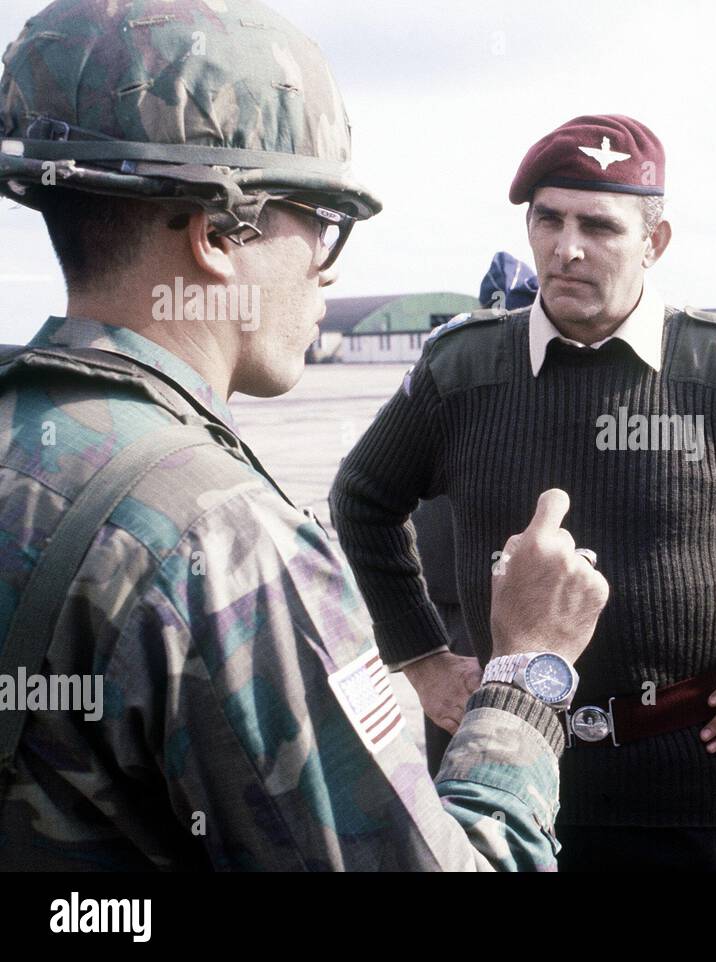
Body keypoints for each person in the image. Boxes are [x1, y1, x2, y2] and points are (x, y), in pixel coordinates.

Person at [0, 0, 606, 872]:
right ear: (218, 234)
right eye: (321, 223)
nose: (327, 270)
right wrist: (530, 669)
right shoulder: (218, 541)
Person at [330, 114, 716, 871]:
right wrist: (422, 657)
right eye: (548, 220)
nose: (566, 248)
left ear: (654, 242)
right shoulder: (461, 367)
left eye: (598, 226)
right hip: (497, 787)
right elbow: (363, 500)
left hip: (689, 795)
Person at [413, 250, 539, 777]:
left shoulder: (442, 381)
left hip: (485, 618)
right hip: (469, 620)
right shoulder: (449, 387)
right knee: (476, 764)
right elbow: (360, 496)